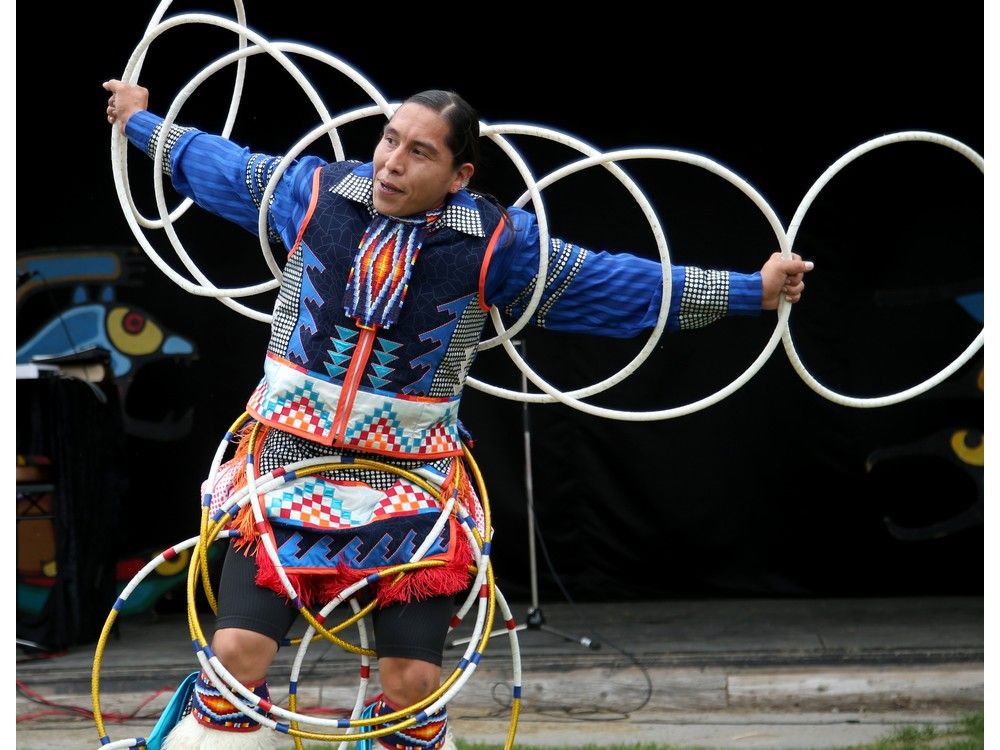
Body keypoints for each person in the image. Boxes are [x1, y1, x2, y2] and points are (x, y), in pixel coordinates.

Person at [102, 79, 812, 750]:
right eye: (389, 139)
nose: (392, 162)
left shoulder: (495, 243)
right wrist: (139, 120)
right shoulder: (315, 193)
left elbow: (610, 281)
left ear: (458, 175)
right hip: (284, 470)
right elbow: (220, 166)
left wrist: (750, 291)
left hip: (412, 489)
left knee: (412, 683)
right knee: (236, 653)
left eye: (420, 151)